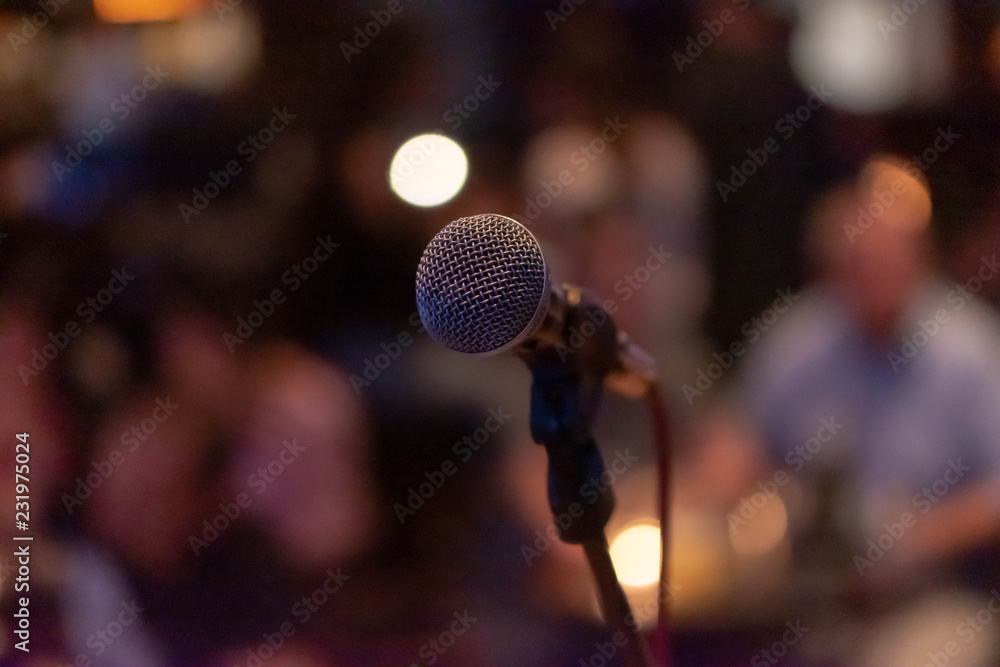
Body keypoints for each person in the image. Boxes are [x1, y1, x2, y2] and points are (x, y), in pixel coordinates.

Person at [732, 156, 1000, 664]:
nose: (875, 276)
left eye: (889, 259)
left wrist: (919, 538)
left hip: (934, 596)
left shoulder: (972, 348)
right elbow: (743, 450)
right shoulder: (795, 341)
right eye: (858, 264)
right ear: (829, 268)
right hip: (803, 598)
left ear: (921, 258)